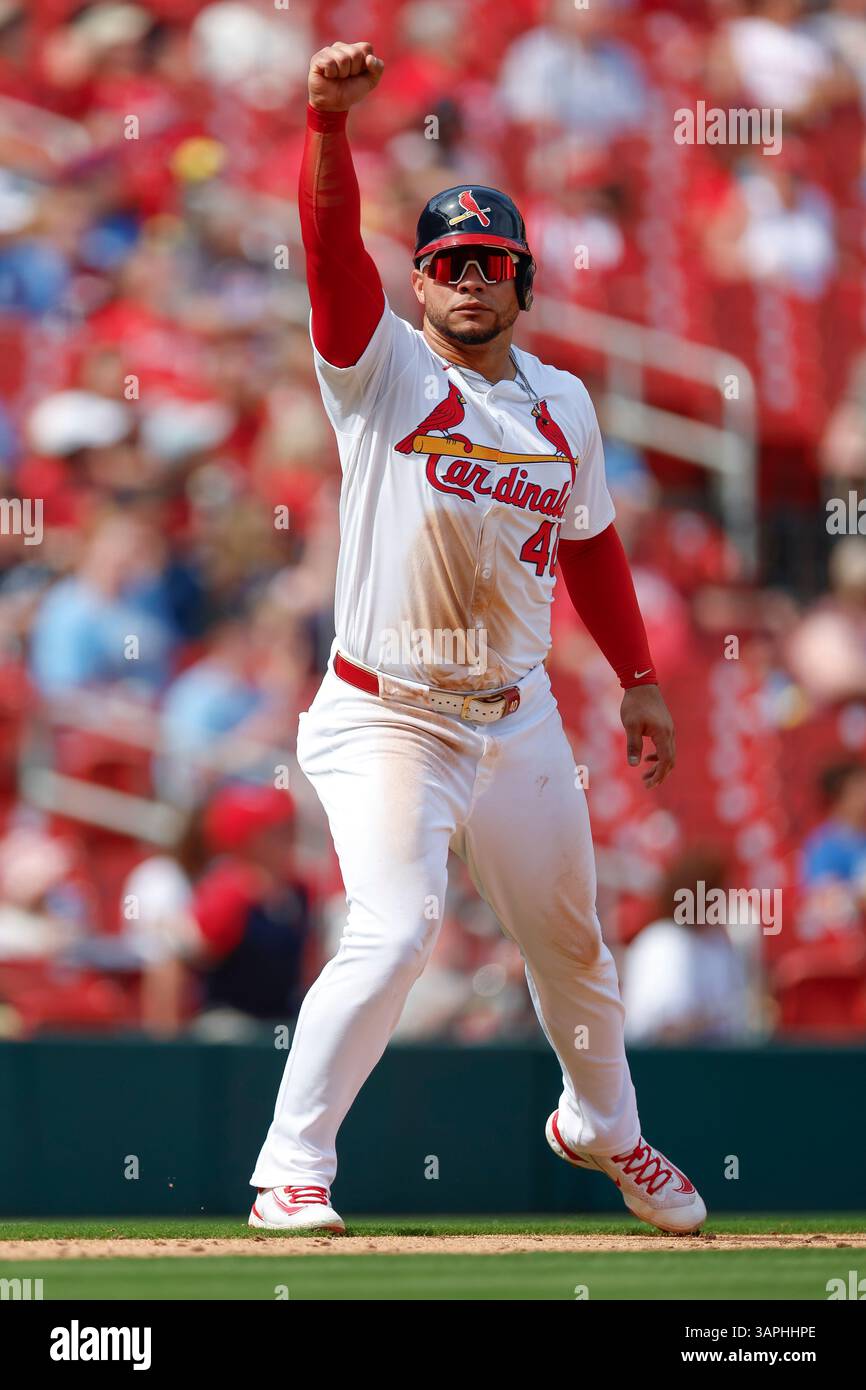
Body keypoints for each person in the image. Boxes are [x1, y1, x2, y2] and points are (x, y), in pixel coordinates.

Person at [249, 42, 706, 1237]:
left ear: (523, 285)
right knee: (394, 928)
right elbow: (330, 257)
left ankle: (604, 1129)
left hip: (514, 716)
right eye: (445, 261)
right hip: (384, 710)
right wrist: (327, 129)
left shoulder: (563, 404)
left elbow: (595, 544)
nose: (465, 279)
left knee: (570, 945)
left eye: (488, 263)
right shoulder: (381, 371)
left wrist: (642, 680)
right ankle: (289, 1169)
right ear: (420, 282)